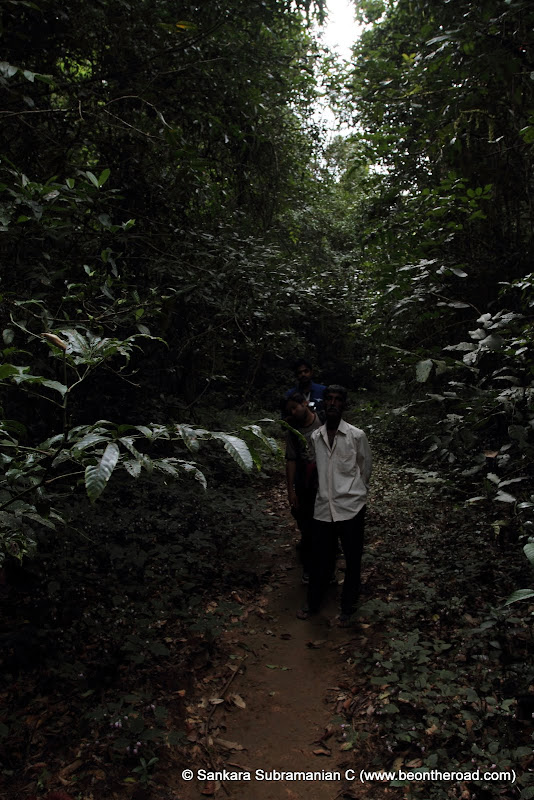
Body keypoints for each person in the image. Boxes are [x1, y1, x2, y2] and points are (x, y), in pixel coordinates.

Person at [297, 385, 372, 626]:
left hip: (351, 508)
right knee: (320, 559)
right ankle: (313, 604)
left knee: (352, 560)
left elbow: (364, 468)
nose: (332, 403)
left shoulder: (356, 435)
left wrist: (354, 493)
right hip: (323, 508)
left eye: (338, 400)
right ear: (323, 403)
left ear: (343, 405)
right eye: (328, 399)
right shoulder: (316, 437)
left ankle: (348, 607)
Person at [283, 391, 323, 583]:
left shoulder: (322, 420)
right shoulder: (292, 429)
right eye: (289, 409)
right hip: (304, 483)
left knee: (323, 526)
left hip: (324, 483)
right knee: (306, 525)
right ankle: (309, 567)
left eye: (294, 407)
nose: (293, 412)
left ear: (305, 403)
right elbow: (290, 460)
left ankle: (325, 567)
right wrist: (291, 491)